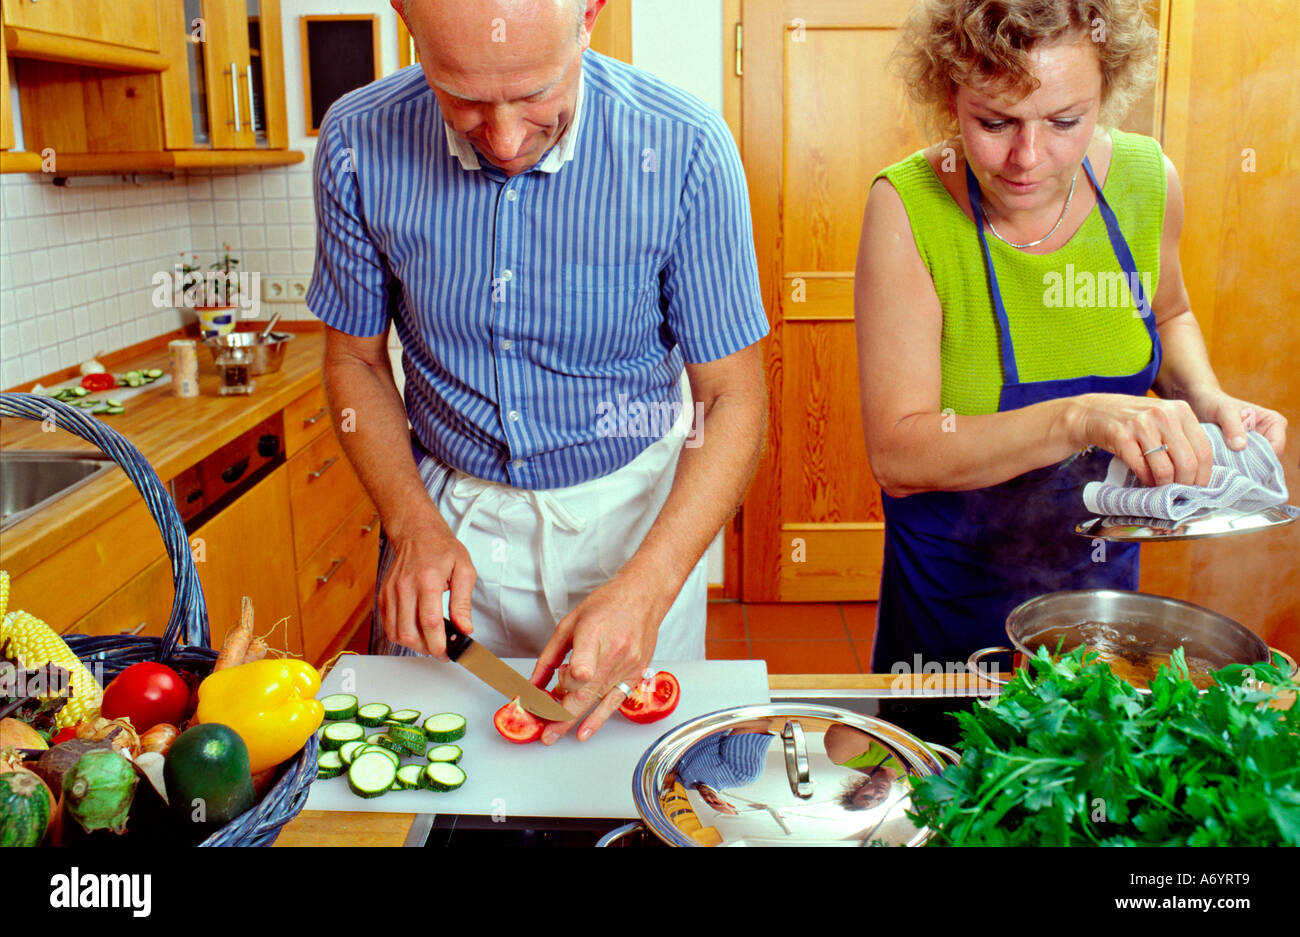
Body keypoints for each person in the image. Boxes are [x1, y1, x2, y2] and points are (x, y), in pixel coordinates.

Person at [306, 0, 768, 743]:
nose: (505, 138)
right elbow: (354, 357)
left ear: (590, 12)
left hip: (634, 529)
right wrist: (410, 524)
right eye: (462, 100)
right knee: (441, 787)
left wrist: (648, 588)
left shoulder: (687, 148)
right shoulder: (356, 141)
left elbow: (732, 395)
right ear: (404, 18)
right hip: (452, 528)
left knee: (626, 784)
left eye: (532, 96)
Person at [853, 0, 1288, 672]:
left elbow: (1167, 313)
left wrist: (1207, 397)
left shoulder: (1147, 182)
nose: (1028, 158)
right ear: (950, 95)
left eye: (1064, 121)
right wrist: (1082, 418)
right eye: (994, 122)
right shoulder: (909, 208)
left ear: (1107, 94)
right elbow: (901, 452)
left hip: (1099, 605)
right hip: (951, 612)